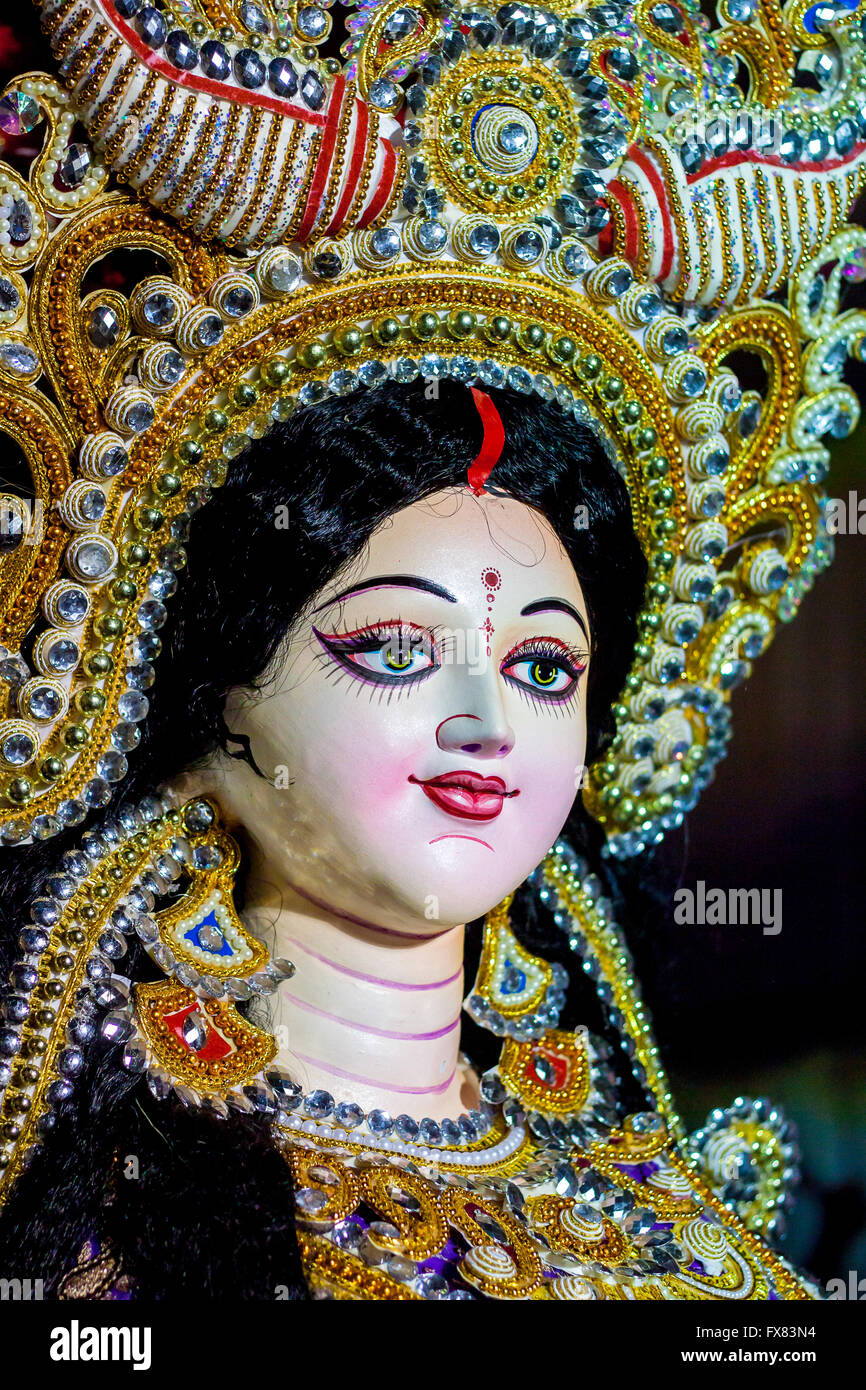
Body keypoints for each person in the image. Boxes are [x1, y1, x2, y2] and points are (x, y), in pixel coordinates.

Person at [0, 0, 861, 1300]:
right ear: (214, 689)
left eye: (544, 668)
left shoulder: (670, 1238)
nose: (487, 725)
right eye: (396, 648)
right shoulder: (115, 1249)